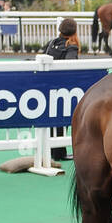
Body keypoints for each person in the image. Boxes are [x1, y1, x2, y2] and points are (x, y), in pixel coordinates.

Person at [45, 18, 80, 161]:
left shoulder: (51, 43)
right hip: (64, 88)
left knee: (53, 119)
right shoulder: (71, 46)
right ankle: (60, 152)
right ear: (74, 31)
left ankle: (54, 151)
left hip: (48, 85)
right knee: (62, 118)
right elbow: (70, 66)